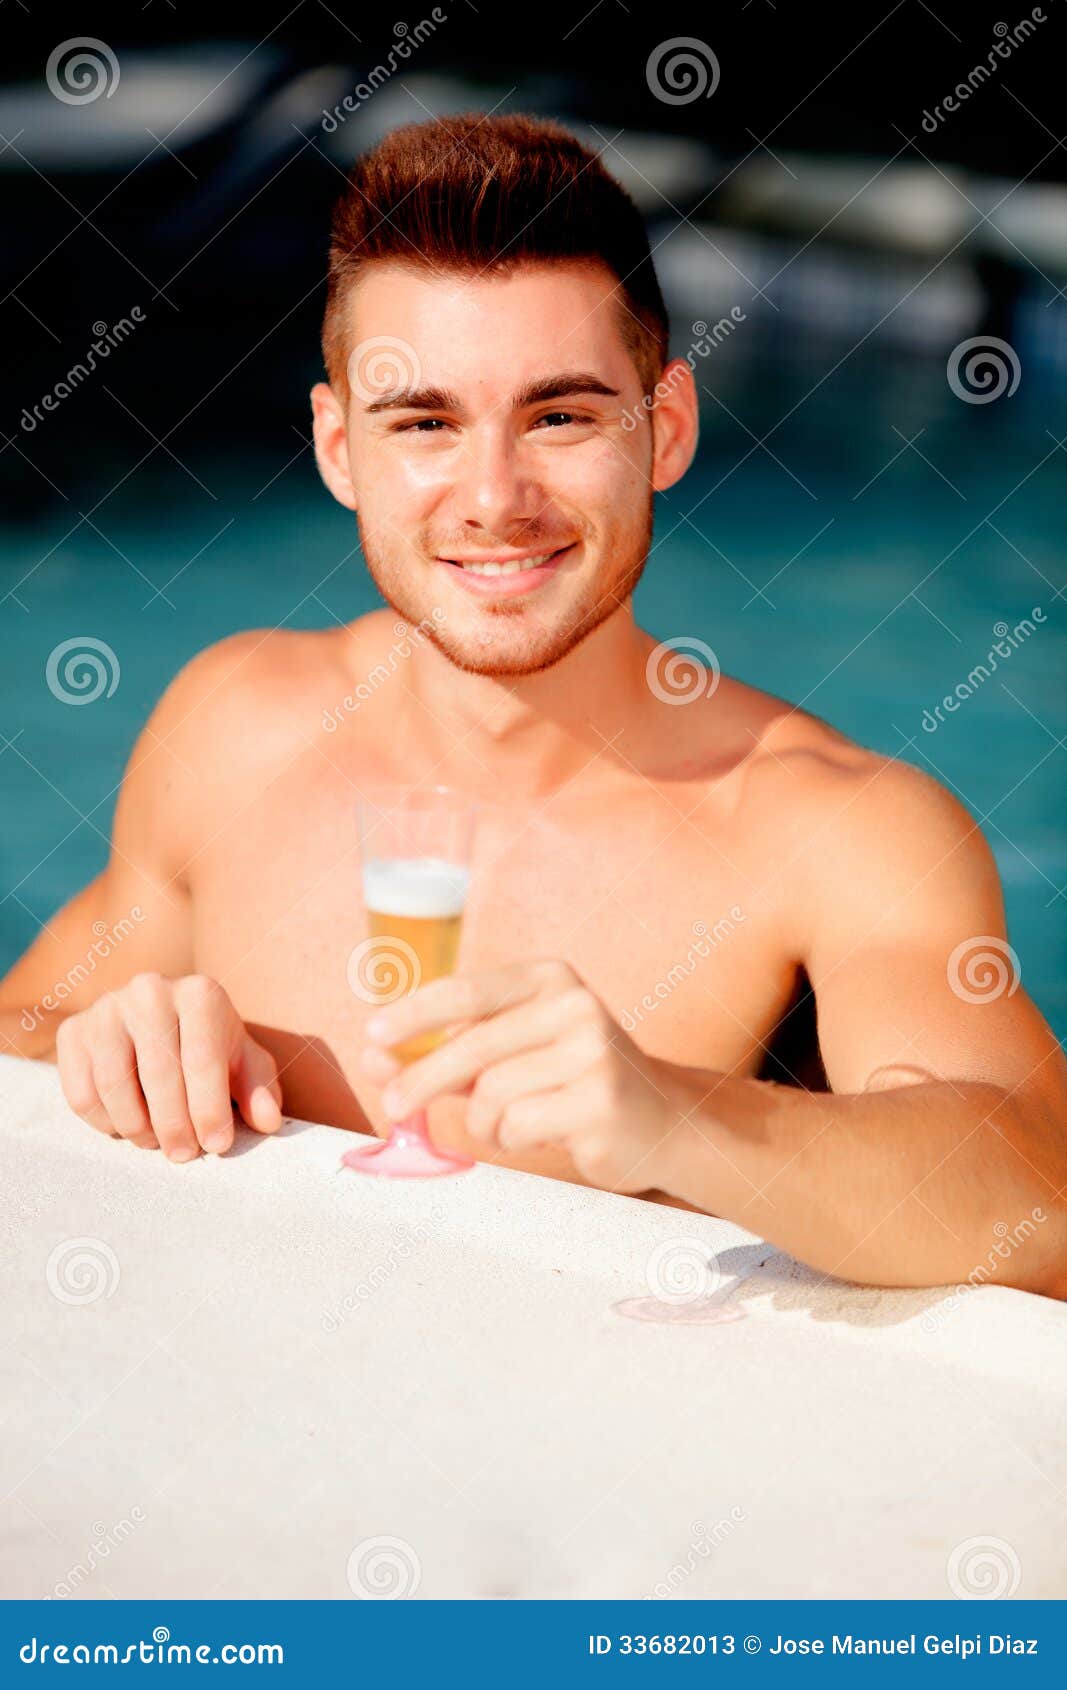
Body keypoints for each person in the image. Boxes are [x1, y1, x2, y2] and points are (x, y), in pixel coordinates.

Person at [3, 114, 1064, 1294]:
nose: (494, 498)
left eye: (558, 415)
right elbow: (24, 1029)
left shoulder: (834, 831)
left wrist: (677, 1116)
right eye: (423, 423)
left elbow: (1039, 1203)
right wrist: (105, 1047)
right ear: (339, 447)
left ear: (661, 428)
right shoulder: (235, 725)